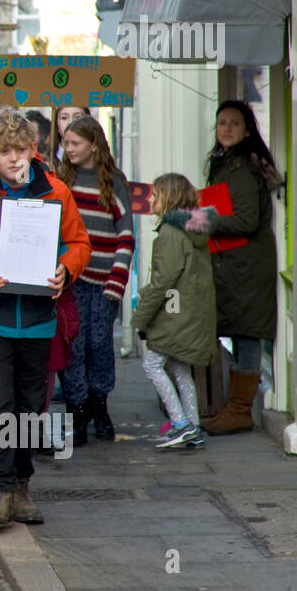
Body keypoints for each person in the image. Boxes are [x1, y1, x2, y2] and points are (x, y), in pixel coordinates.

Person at [0, 108, 91, 524]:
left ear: (34, 148)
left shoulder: (56, 192)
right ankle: (0, 490)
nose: (13, 158)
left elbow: (77, 243)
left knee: (30, 406)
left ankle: (22, 487)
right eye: (3, 151)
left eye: (19, 150)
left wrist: (67, 268)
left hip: (40, 319)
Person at [200, 100, 282, 435]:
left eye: (235, 124)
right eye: (222, 123)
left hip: (247, 267)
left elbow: (246, 220)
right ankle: (233, 409)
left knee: (247, 335)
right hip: (233, 265)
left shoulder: (246, 168)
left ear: (247, 129)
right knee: (238, 331)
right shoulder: (225, 162)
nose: (227, 129)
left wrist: (205, 218)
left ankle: (239, 411)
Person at [56, 114, 134, 443]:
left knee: (99, 344)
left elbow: (126, 234)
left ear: (93, 145)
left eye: (75, 143)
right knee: (72, 346)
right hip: (71, 279)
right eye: (65, 143)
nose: (68, 148)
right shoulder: (62, 179)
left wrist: (117, 280)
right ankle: (78, 411)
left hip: (104, 281)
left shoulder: (113, 181)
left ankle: (99, 404)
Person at [132, 174, 217, 449]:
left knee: (152, 364)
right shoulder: (194, 232)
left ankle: (181, 423)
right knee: (180, 368)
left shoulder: (170, 234)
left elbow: (162, 282)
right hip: (191, 314)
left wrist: (141, 316)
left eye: (155, 195)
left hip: (176, 314)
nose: (150, 199)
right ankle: (192, 426)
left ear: (168, 199)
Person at [50, 105, 89, 173]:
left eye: (77, 117)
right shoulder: (48, 163)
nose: (70, 122)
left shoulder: (93, 161)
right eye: (64, 118)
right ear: (57, 125)